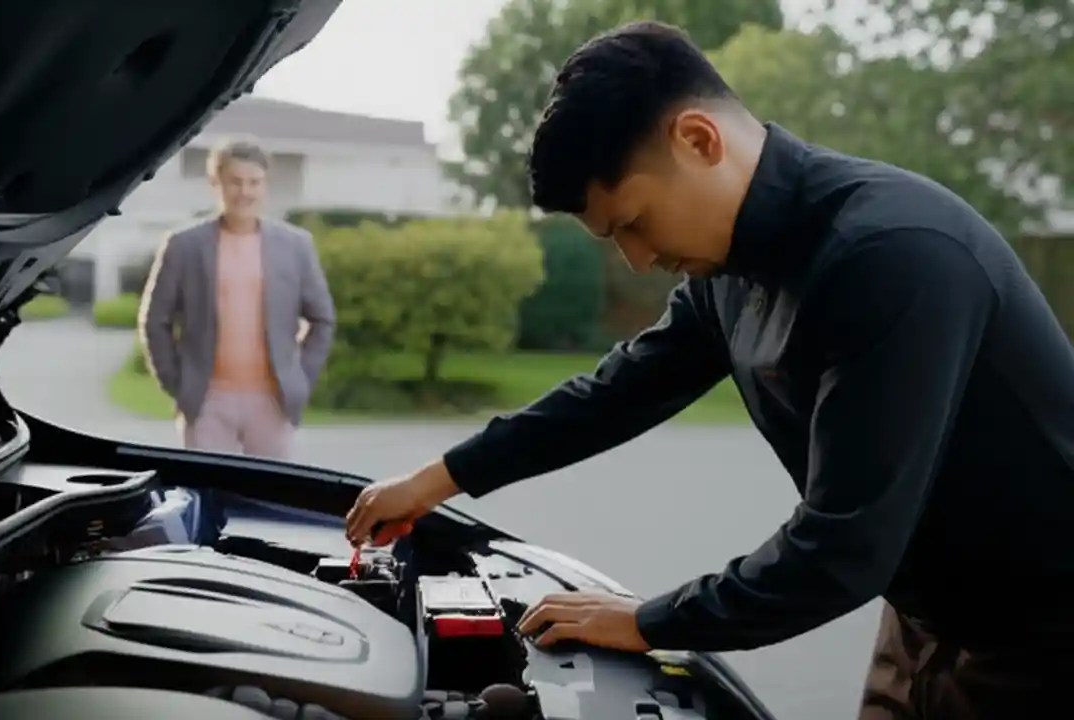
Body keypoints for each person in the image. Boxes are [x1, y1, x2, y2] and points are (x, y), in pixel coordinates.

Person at [344, 20, 1074, 719]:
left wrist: (649, 621)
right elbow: (620, 391)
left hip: (1043, 644)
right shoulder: (726, 270)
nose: (635, 258)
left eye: (632, 221)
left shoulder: (895, 257)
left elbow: (842, 550)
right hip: (922, 623)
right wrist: (439, 478)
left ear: (698, 138)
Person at [139, 139, 334, 459]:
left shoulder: (296, 245)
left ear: (265, 185)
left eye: (254, 182)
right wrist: (178, 384)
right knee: (207, 496)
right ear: (216, 184)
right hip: (208, 402)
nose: (245, 192)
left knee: (268, 499)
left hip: (272, 402)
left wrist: (300, 377)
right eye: (235, 182)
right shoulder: (183, 245)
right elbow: (154, 320)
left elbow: (323, 319)